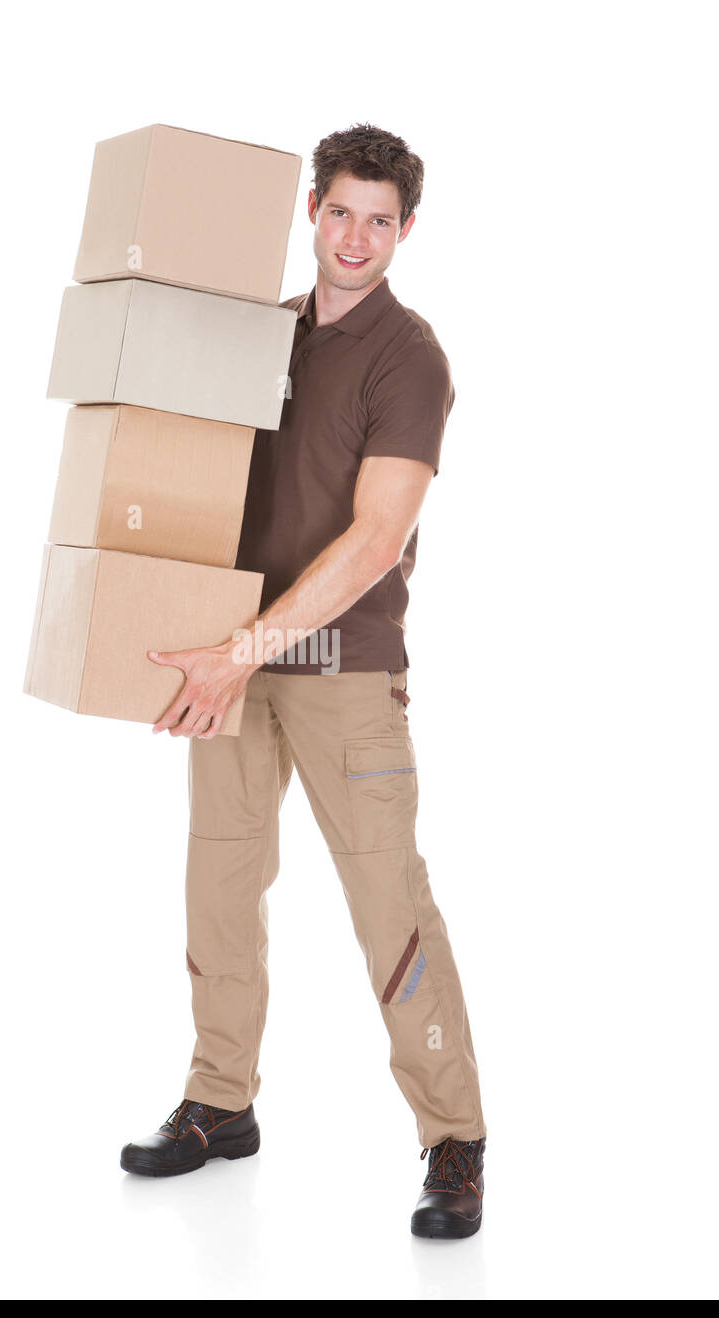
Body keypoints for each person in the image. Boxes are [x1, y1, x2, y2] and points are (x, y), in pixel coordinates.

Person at [120, 123, 487, 1238]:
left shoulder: (406, 356)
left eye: (380, 220)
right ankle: (219, 1103)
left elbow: (376, 538)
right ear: (311, 213)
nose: (356, 236)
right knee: (218, 893)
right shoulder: (262, 338)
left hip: (342, 673)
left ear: (404, 230)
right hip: (233, 662)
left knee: (390, 910)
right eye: (340, 212)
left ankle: (454, 1140)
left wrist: (243, 648)